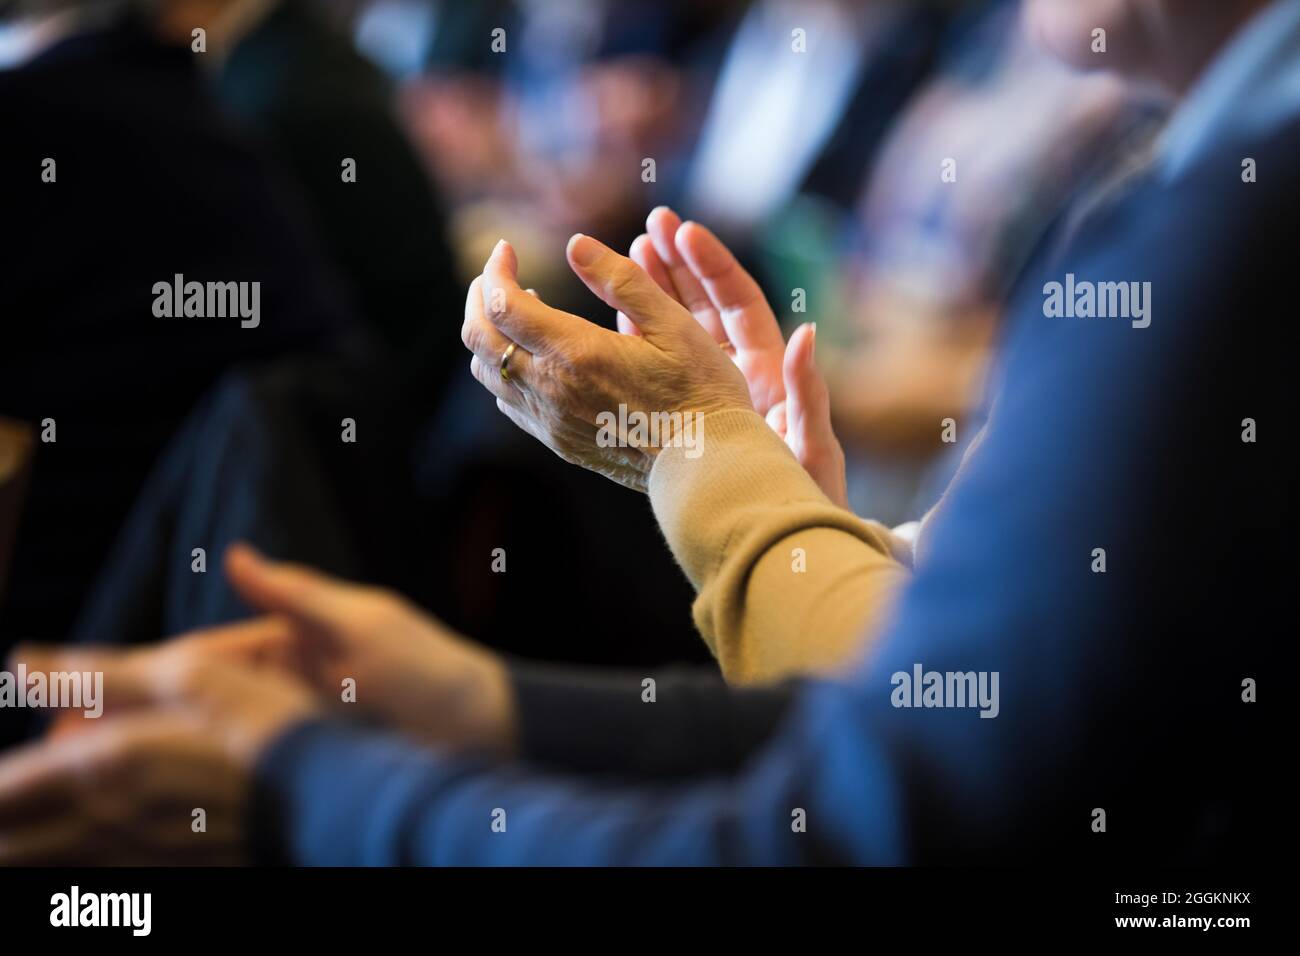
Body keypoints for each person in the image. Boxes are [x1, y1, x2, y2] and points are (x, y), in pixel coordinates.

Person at [0, 0, 1290, 865]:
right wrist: (486, 706)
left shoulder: (1228, 243)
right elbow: (928, 733)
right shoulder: (1208, 201)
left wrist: (307, 788)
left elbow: (866, 829)